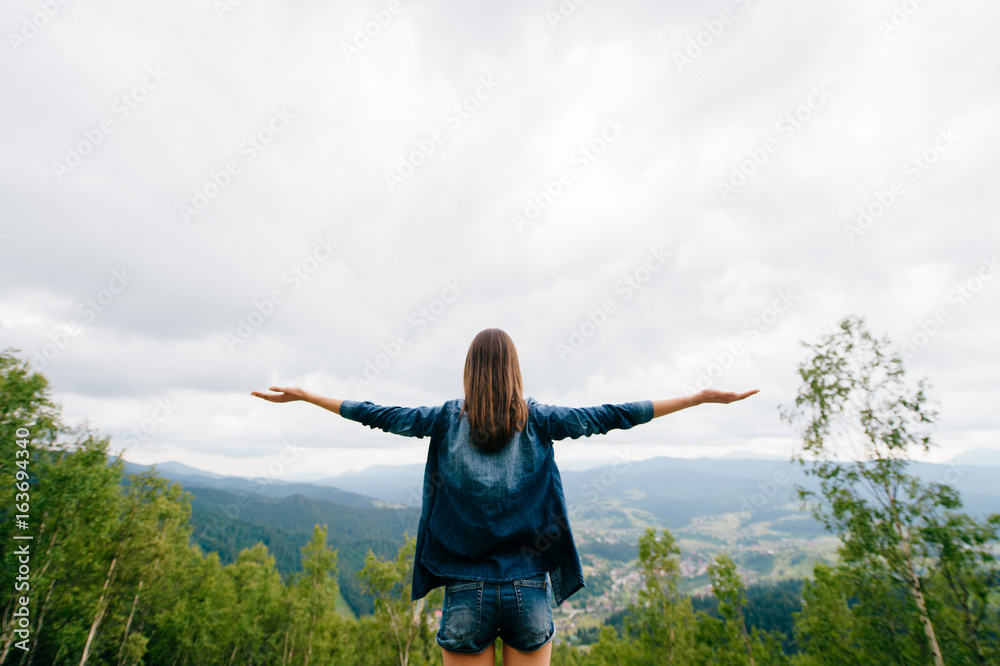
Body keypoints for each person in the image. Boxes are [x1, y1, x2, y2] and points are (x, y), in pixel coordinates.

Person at [251, 328, 757, 665]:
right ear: (514, 368)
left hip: (466, 593)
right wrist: (694, 398)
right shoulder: (540, 420)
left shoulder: (443, 420)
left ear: (469, 370)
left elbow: (375, 412)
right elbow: (613, 413)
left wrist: (309, 396)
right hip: (529, 593)